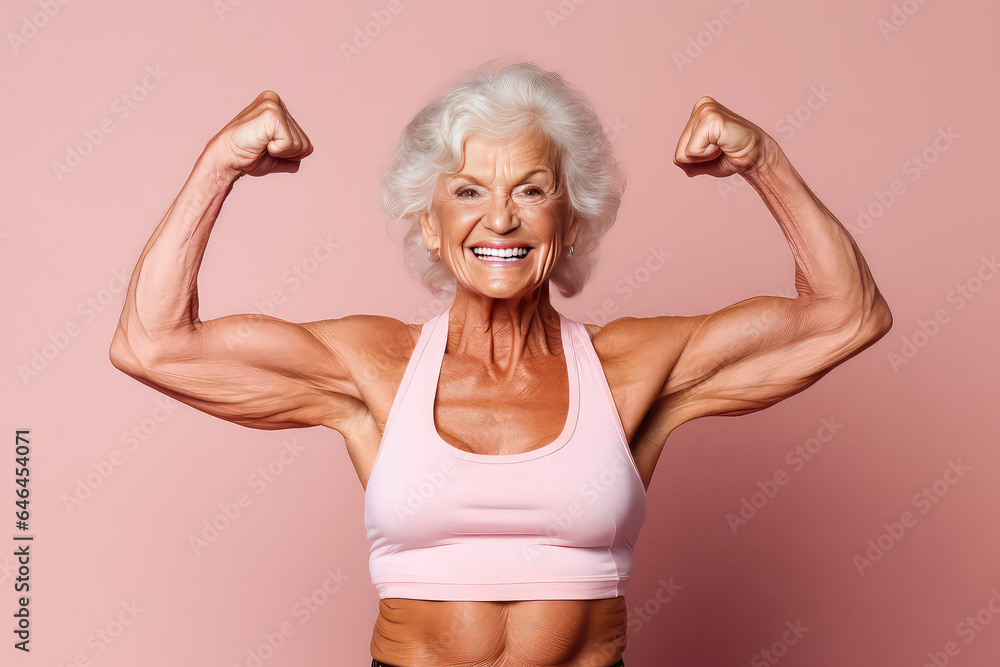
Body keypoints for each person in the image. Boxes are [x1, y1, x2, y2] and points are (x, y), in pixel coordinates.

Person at [109, 61, 892, 667]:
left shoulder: (632, 366)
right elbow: (152, 342)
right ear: (429, 222)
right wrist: (221, 162)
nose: (501, 218)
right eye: (469, 189)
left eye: (532, 188)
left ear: (571, 219)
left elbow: (846, 314)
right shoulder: (375, 365)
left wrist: (762, 159)